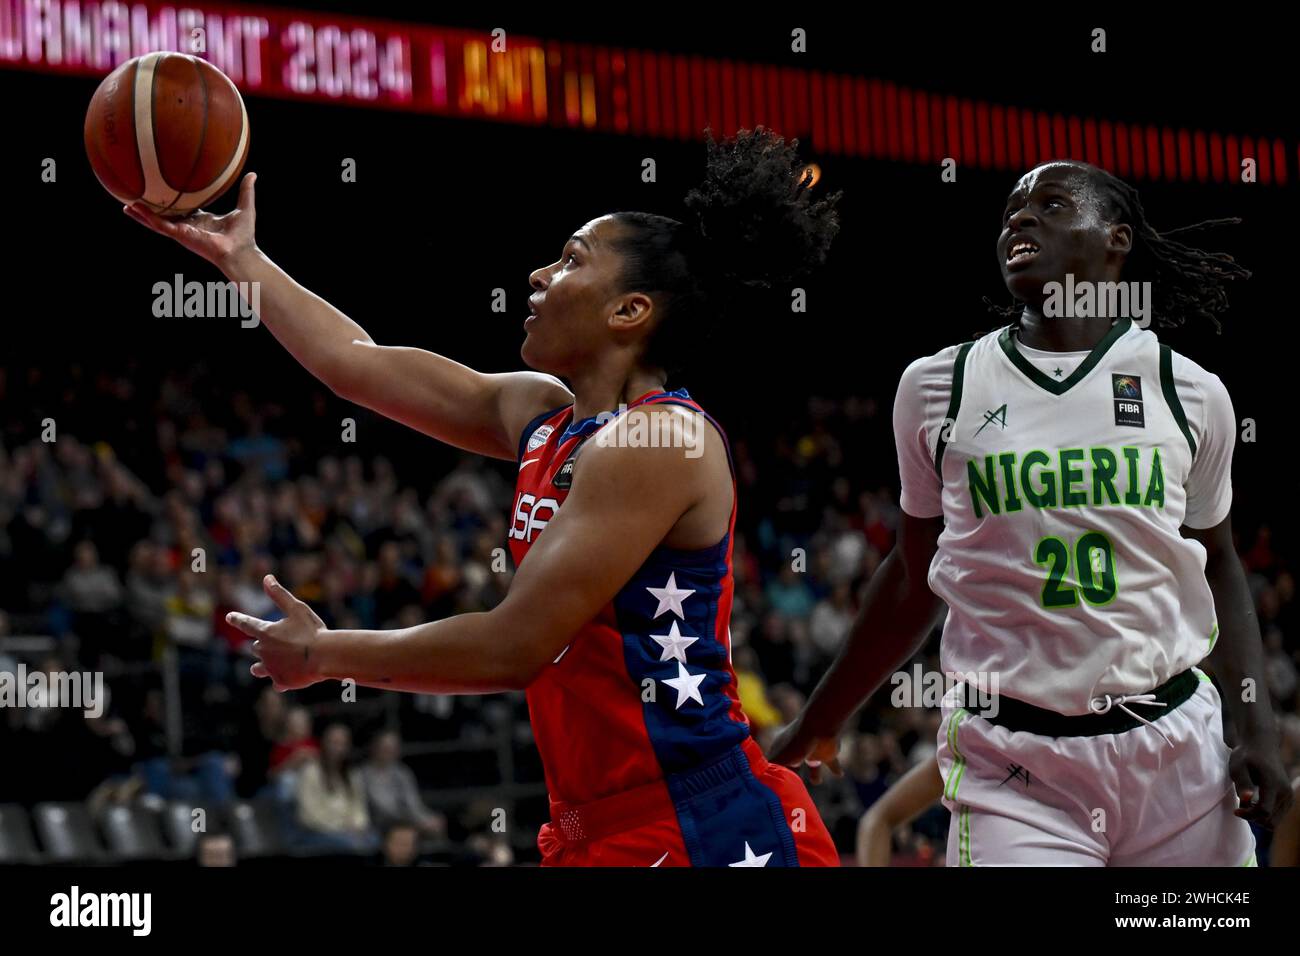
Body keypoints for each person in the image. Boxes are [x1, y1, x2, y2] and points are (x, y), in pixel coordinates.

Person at [126, 126, 844, 867]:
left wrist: (324, 652)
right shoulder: (541, 414)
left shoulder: (661, 443)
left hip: (703, 822)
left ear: (630, 312)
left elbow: (512, 647)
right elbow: (355, 364)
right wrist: (240, 259)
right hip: (592, 826)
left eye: (570, 260)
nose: (538, 274)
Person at [771, 160, 1292, 866]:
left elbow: (1219, 561)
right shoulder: (938, 387)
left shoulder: (1187, 389)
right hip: (1015, 768)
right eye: (1013, 210)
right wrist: (819, 720)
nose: (1019, 219)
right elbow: (912, 575)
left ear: (1116, 241)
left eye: (1051, 205)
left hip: (1178, 753)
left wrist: (1255, 728)